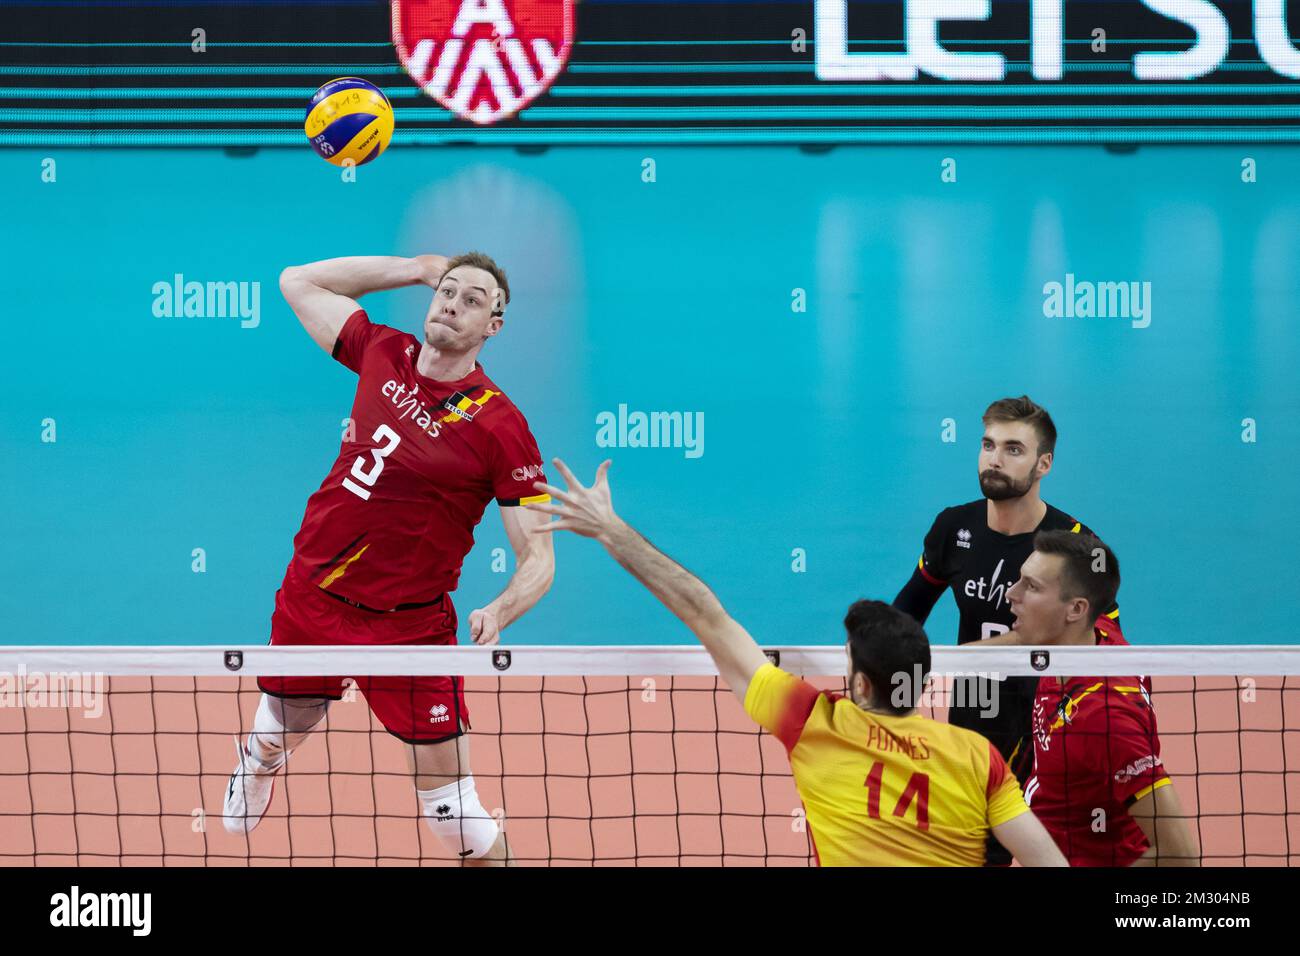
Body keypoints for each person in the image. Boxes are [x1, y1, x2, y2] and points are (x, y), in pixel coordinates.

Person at [527, 459, 1067, 867]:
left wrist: (609, 530)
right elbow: (1048, 862)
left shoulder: (816, 723)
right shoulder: (979, 757)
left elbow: (704, 613)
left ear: (857, 682)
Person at [222, 252, 556, 866]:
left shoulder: (502, 427)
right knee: (285, 728)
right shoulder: (382, 350)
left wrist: (504, 605)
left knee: (459, 821)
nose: (453, 302)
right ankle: (259, 758)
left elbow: (539, 555)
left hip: (412, 628)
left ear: (494, 326)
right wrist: (413, 266)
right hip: (315, 596)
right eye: (447, 291)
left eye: (474, 299)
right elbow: (296, 280)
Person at [892, 395, 1118, 863]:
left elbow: (1110, 646)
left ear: (1044, 463)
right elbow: (908, 610)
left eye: (1014, 449)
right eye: (988, 444)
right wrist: (884, 677)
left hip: (1047, 724)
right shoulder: (953, 528)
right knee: (972, 854)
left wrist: (963, 657)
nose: (995, 458)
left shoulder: (1076, 548)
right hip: (973, 722)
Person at [967, 530, 1199, 866]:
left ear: (1075, 609)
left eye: (1031, 586)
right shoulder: (1086, 633)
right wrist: (945, 661)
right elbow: (1022, 639)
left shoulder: (1105, 717)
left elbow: (1181, 855)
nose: (1010, 593)